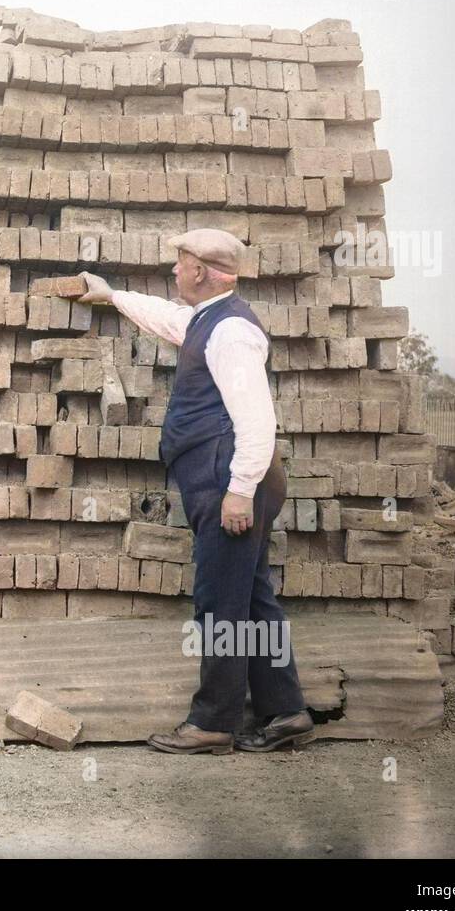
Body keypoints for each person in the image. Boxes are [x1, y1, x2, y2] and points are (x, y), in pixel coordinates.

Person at [75, 228, 314, 754]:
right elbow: (169, 318)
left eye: (180, 264)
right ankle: (285, 710)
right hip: (230, 474)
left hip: (227, 475)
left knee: (219, 604)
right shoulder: (209, 320)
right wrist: (111, 294)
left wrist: (238, 491)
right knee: (250, 598)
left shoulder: (231, 334)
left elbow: (257, 419)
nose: (174, 272)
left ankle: (214, 723)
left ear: (202, 272)